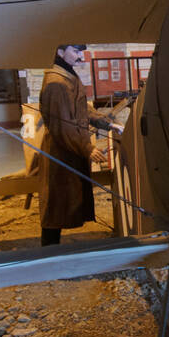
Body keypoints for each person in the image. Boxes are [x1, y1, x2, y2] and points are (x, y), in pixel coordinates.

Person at [37, 44, 120, 246]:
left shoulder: (68, 76)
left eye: (81, 51)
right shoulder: (56, 83)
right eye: (75, 51)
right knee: (55, 205)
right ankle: (48, 252)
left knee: (63, 201)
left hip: (71, 148)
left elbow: (82, 109)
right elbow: (61, 126)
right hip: (61, 151)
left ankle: (51, 249)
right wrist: (87, 148)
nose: (80, 56)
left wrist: (107, 122)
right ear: (59, 52)